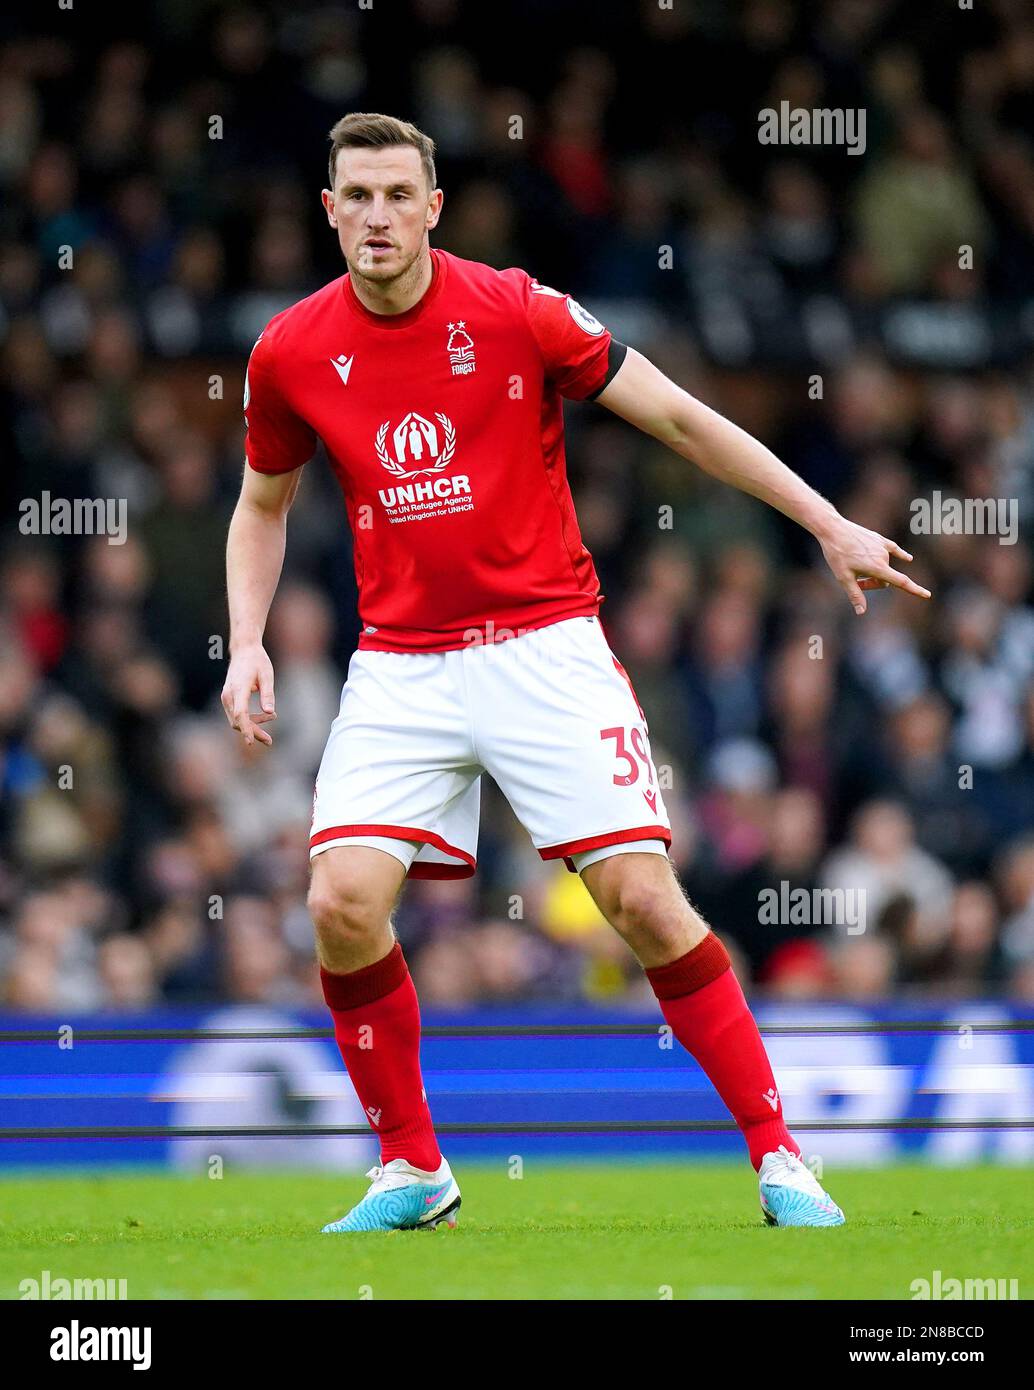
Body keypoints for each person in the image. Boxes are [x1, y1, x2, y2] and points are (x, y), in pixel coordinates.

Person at [222, 113, 931, 1232]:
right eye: (354, 195)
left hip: (544, 643)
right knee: (338, 903)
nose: (375, 215)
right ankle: (412, 1167)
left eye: (397, 195)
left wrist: (825, 520)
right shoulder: (290, 351)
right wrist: (247, 636)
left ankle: (779, 1155)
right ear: (327, 210)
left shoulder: (515, 309)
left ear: (432, 208)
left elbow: (681, 421)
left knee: (642, 901)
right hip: (401, 663)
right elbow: (261, 504)